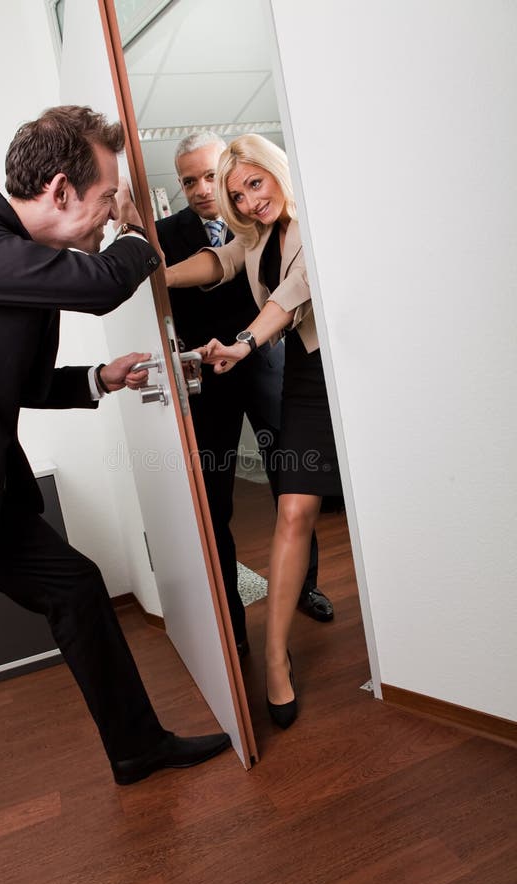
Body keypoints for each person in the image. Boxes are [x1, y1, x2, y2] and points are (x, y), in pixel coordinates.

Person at [0, 105, 230, 784]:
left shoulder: (19, 267)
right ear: (60, 190)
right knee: (78, 588)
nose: (112, 215)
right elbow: (101, 286)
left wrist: (99, 378)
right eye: (108, 198)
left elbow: (22, 382)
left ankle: (138, 748)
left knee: (76, 588)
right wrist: (140, 236)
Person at [165, 134, 343, 729]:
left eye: (254, 185)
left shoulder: (315, 217)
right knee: (293, 508)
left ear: (276, 171)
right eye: (236, 195)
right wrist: (155, 275)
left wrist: (243, 343)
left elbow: (294, 293)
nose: (247, 201)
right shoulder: (257, 236)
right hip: (307, 375)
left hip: (349, 365)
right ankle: (274, 658)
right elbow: (219, 262)